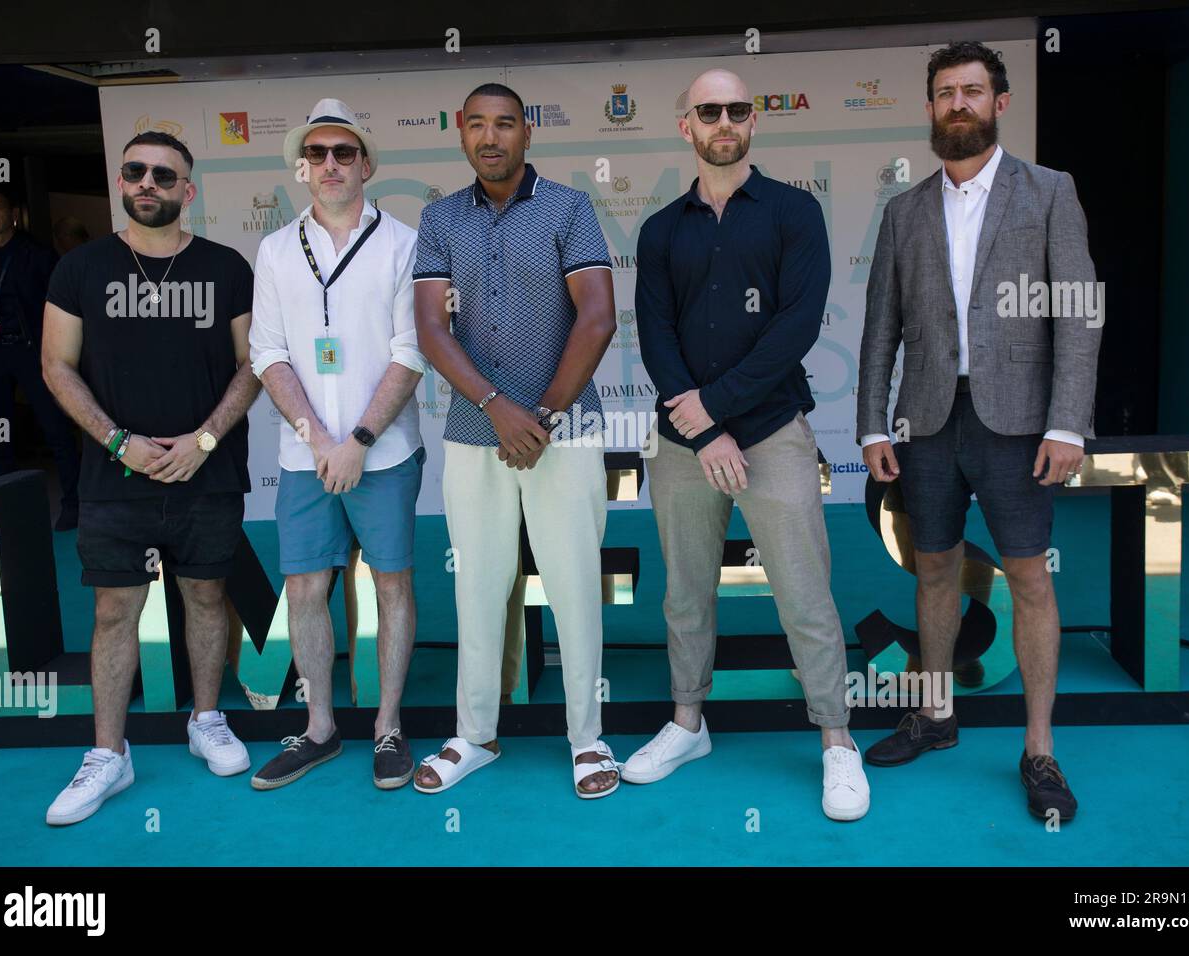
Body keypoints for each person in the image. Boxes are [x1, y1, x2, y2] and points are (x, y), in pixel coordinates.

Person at [857, 41, 1102, 822]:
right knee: (933, 571)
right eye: (943, 93)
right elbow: (879, 333)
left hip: (1021, 424)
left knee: (1028, 577)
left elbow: (1079, 312)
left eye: (971, 91)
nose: (957, 103)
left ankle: (1039, 748)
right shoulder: (903, 210)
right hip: (926, 421)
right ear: (930, 108)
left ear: (999, 102)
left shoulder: (1051, 192)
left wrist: (1068, 422)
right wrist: (871, 426)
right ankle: (935, 717)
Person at [628, 68, 869, 821]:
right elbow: (656, 335)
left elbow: (794, 328)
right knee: (686, 595)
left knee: (804, 594)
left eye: (737, 108)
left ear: (754, 120)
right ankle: (688, 724)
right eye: (709, 109)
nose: (724, 120)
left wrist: (719, 412)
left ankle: (837, 741)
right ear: (686, 124)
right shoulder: (661, 228)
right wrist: (700, 428)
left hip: (771, 431)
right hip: (681, 443)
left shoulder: (796, 212)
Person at [40, 131, 260, 825]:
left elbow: (253, 365)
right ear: (121, 183)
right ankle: (110, 754)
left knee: (206, 596)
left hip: (207, 469)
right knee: (114, 612)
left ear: (187, 191)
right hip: (115, 478)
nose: (147, 183)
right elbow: (56, 366)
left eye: (164, 175)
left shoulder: (227, 267)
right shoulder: (80, 268)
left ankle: (206, 719)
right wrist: (117, 442)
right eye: (135, 171)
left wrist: (202, 440)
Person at [412, 83, 621, 798]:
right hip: (475, 433)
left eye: (505, 125)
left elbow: (597, 317)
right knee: (478, 587)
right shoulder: (439, 218)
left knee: (572, 587)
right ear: (462, 135)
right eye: (478, 125)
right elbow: (431, 330)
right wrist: (500, 408)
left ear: (527, 134)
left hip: (564, 433)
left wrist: (544, 416)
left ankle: (588, 740)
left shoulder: (568, 206)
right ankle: (475, 735)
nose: (491, 137)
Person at [248, 98, 426, 791]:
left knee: (391, 584)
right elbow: (267, 352)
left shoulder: (403, 242)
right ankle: (319, 728)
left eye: (343, 152)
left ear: (366, 165)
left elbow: (411, 353)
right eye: (317, 153)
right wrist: (317, 437)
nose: (329, 163)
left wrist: (356, 439)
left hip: (382, 453)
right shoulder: (273, 248)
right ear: (303, 166)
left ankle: (387, 726)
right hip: (304, 455)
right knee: (305, 586)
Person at [0, 186, 80, 529]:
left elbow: (58, 306)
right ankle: (4, 509)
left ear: (12, 212)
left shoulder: (38, 255)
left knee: (55, 426)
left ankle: (72, 503)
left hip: (32, 352)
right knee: (0, 430)